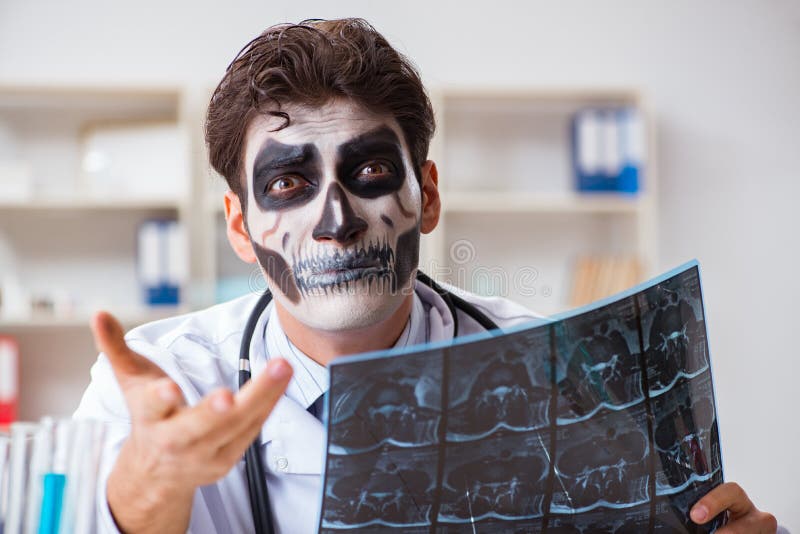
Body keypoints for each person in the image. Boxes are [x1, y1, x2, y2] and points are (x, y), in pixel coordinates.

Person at [74, 18, 777, 534]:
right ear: (239, 226)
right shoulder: (161, 387)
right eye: (288, 182)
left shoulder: (564, 376)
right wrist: (146, 487)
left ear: (429, 196)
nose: (335, 221)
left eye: (371, 171)